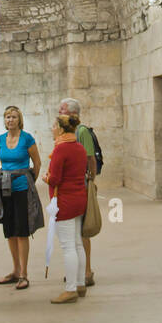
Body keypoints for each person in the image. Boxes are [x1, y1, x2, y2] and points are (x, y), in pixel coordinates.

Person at [42, 113, 88, 304]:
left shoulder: (61, 149)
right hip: (79, 199)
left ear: (61, 128)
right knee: (77, 243)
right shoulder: (79, 147)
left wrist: (46, 178)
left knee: (68, 246)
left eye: (54, 125)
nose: (52, 128)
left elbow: (55, 179)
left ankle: (70, 290)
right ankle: (80, 283)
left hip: (65, 202)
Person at [0, 105, 41, 290]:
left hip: (22, 188)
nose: (10, 120)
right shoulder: (0, 140)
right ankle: (15, 270)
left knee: (22, 231)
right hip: (6, 189)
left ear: (19, 119)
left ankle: (24, 274)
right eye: (7, 117)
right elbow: (3, 162)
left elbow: (37, 162)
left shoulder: (27, 138)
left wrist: (30, 181)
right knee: (10, 231)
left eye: (13, 117)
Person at [59, 97, 97, 286]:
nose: (60, 112)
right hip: (75, 186)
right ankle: (79, 272)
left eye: (63, 109)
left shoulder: (82, 132)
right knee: (76, 233)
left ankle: (87, 271)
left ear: (73, 113)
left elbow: (90, 159)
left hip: (81, 186)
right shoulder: (69, 133)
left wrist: (90, 181)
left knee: (83, 231)